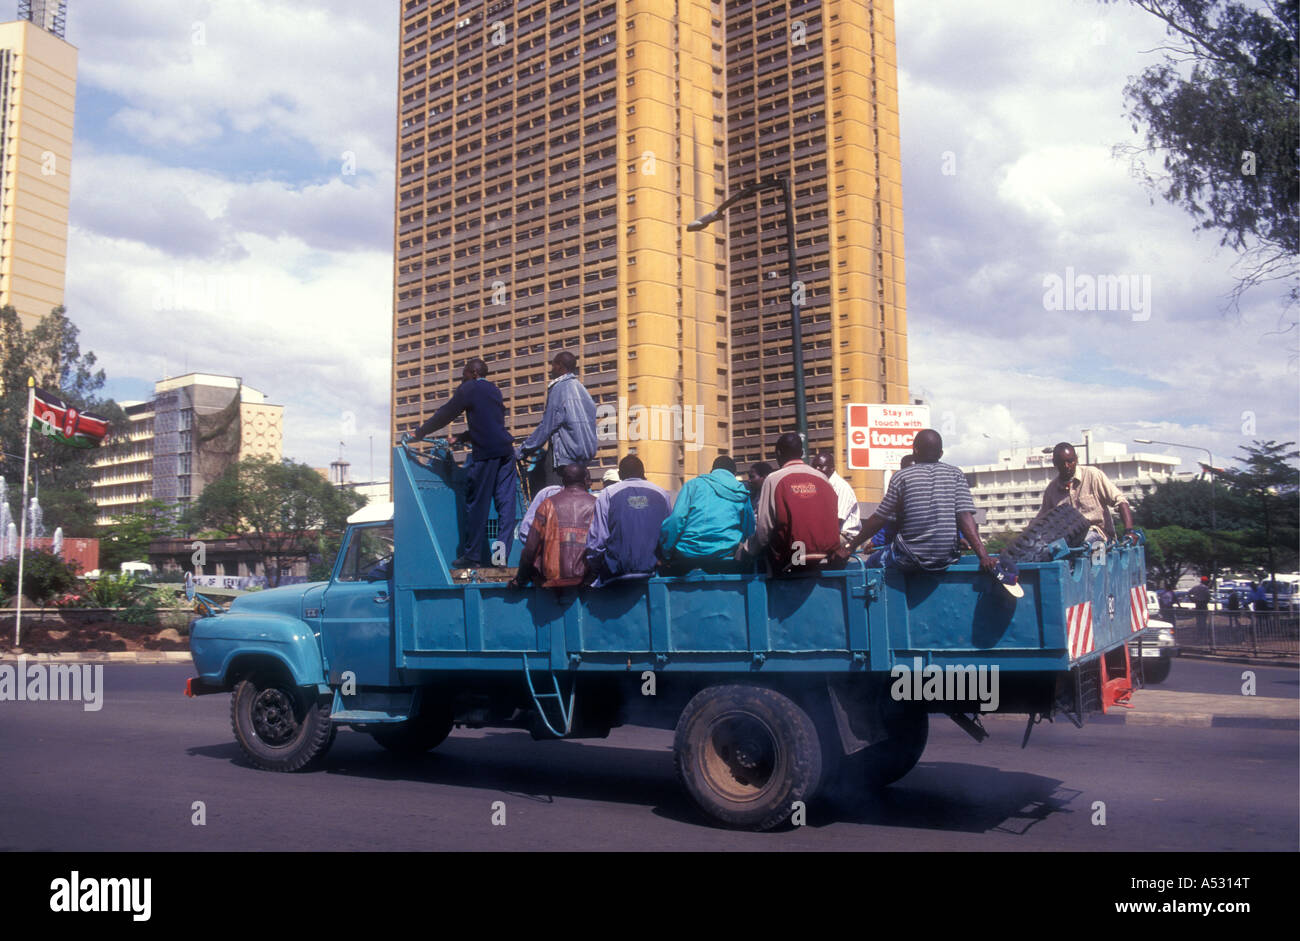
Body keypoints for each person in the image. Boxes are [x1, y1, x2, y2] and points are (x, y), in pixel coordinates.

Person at [834, 429, 996, 575]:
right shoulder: (956, 474)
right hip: (947, 558)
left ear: (915, 450)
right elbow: (965, 516)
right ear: (941, 453)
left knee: (872, 562)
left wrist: (850, 547)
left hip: (908, 558)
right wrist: (984, 556)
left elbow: (879, 519)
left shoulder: (901, 477)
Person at [411, 357, 517, 567]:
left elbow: (446, 414)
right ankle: (500, 557)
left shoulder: (470, 389)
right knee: (506, 506)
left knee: (478, 504)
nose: (462, 380)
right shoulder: (494, 391)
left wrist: (421, 432)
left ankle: (473, 556)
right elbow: (490, 424)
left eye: (464, 375)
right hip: (506, 451)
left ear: (474, 373)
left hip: (487, 453)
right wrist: (462, 438)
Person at [747, 433, 842, 573]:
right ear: (802, 453)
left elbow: (763, 532)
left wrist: (746, 551)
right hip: (826, 556)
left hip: (791, 559)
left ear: (778, 453)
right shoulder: (822, 478)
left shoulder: (774, 479)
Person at [585, 455, 673, 586]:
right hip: (653, 572)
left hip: (616, 574)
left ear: (620, 475)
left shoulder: (607, 494)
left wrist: (595, 567)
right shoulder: (661, 493)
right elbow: (668, 535)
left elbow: (597, 543)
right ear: (643, 473)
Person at [658, 455, 755, 573]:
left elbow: (676, 519)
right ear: (734, 474)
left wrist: (666, 553)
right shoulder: (742, 491)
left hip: (688, 553)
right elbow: (749, 530)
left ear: (712, 471)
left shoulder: (693, 484)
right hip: (725, 553)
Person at [518, 351, 598, 491]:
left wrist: (522, 451)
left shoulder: (559, 388)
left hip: (563, 459)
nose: (551, 369)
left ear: (560, 366)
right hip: (582, 461)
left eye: (553, 365)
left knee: (554, 498)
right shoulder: (582, 390)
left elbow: (547, 426)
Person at [509, 463, 596, 589]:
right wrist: (591, 578)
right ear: (585, 480)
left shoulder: (547, 504)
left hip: (552, 580)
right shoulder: (596, 504)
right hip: (584, 578)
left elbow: (530, 549)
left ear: (563, 481)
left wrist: (520, 579)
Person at [1034, 442, 1137, 545]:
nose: (1067, 466)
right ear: (1054, 463)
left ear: (1076, 459)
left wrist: (1129, 531)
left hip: (1098, 536)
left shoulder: (1092, 475)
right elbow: (1041, 520)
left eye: (1070, 461)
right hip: (1066, 540)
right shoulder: (1052, 490)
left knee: (1082, 541)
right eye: (1062, 463)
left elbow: (1120, 501)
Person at [810, 450, 862, 542]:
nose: (816, 469)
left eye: (821, 466)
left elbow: (837, 521)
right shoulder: (818, 485)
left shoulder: (841, 487)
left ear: (832, 469)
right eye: (814, 466)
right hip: (829, 533)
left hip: (846, 537)